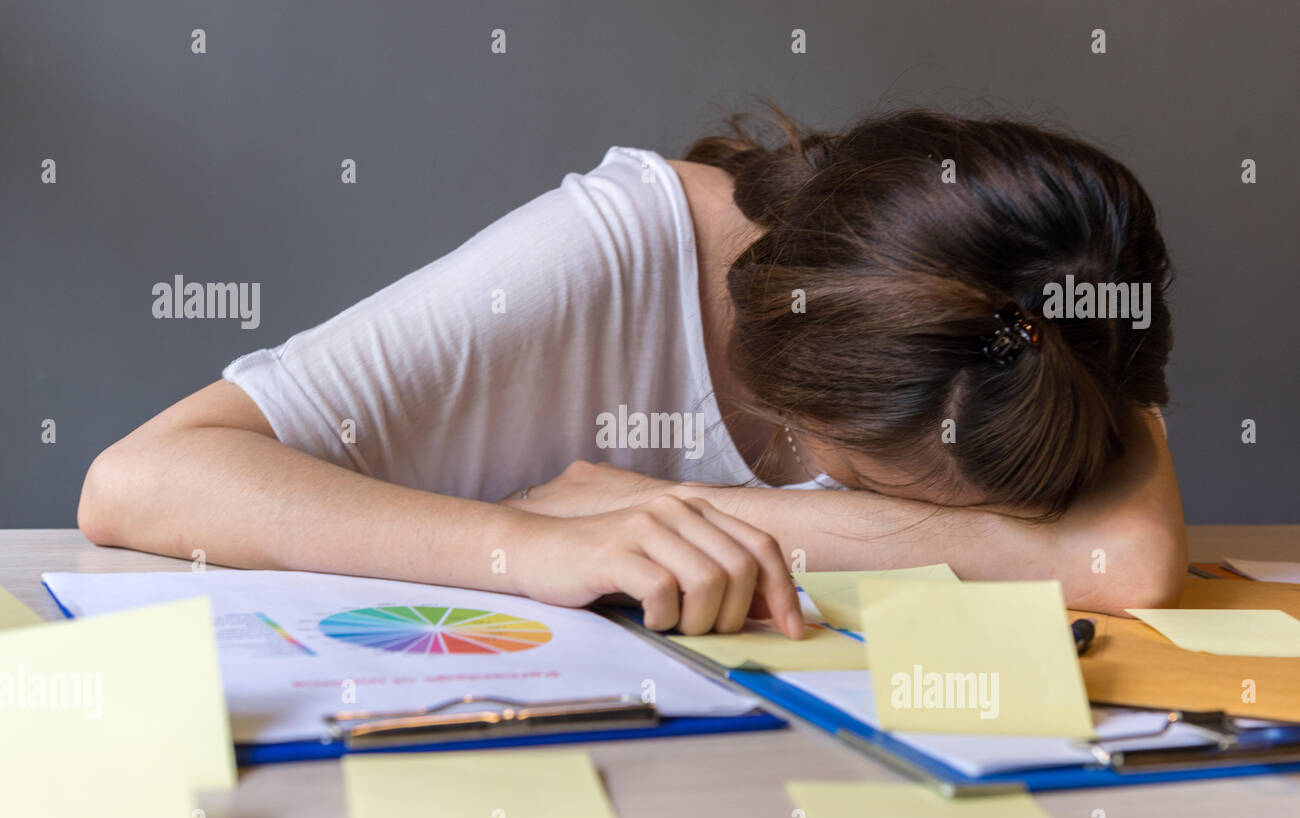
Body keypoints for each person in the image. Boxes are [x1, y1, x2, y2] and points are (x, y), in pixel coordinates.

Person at [77, 107, 1187, 638]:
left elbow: (1124, 558)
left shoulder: (1061, 297)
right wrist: (537, 544)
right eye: (863, 477)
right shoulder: (599, 252)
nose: (863, 503)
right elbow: (138, 482)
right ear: (792, 376)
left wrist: (673, 510)